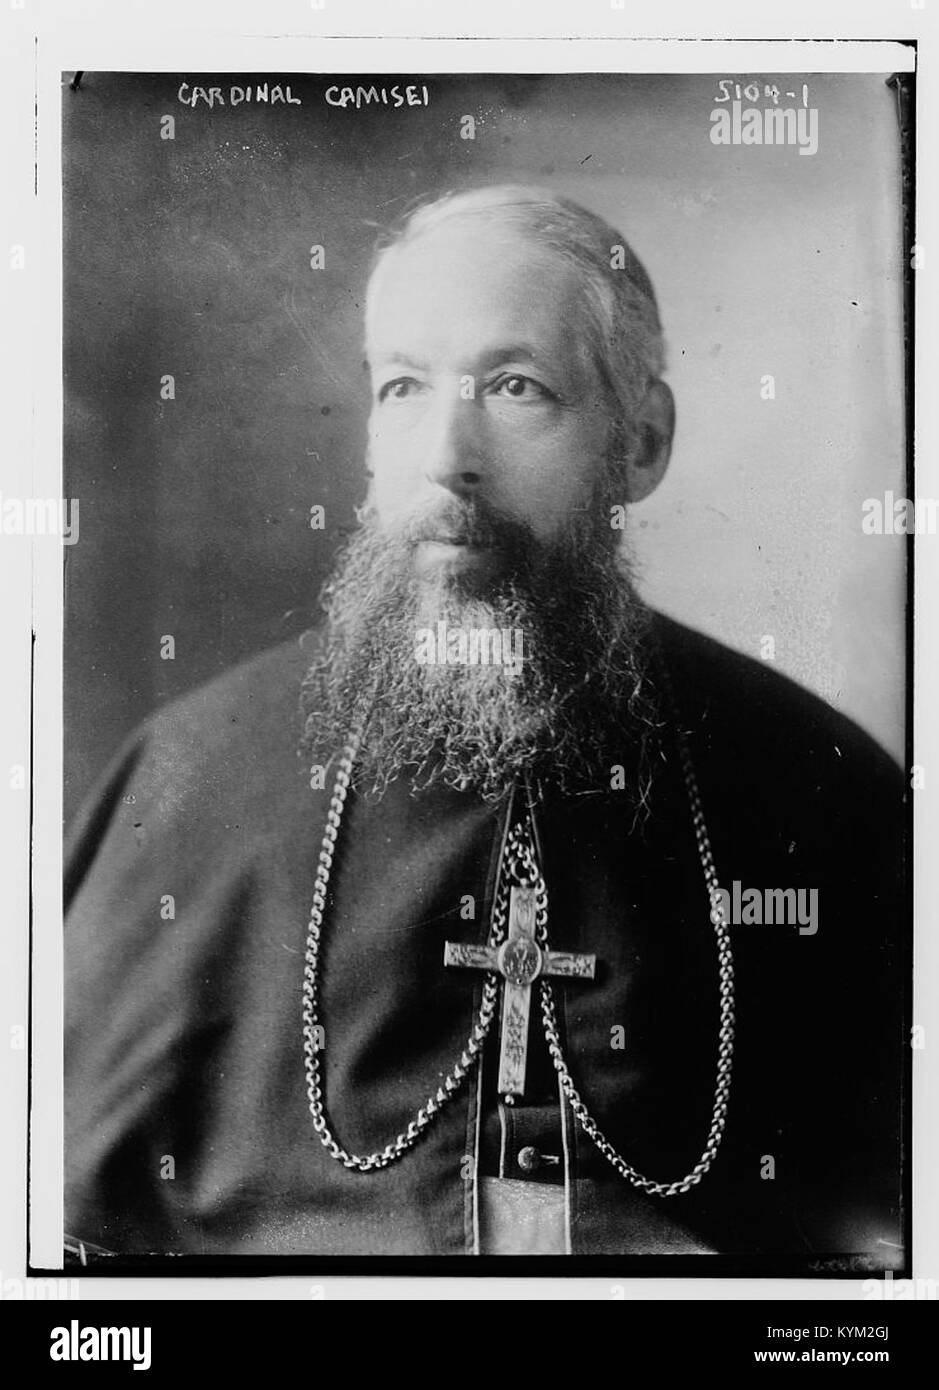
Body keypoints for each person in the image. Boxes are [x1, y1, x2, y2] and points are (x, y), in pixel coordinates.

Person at [64, 185, 905, 1263]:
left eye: (517, 388)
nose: (447, 457)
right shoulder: (188, 782)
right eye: (404, 387)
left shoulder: (815, 785)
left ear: (641, 442)